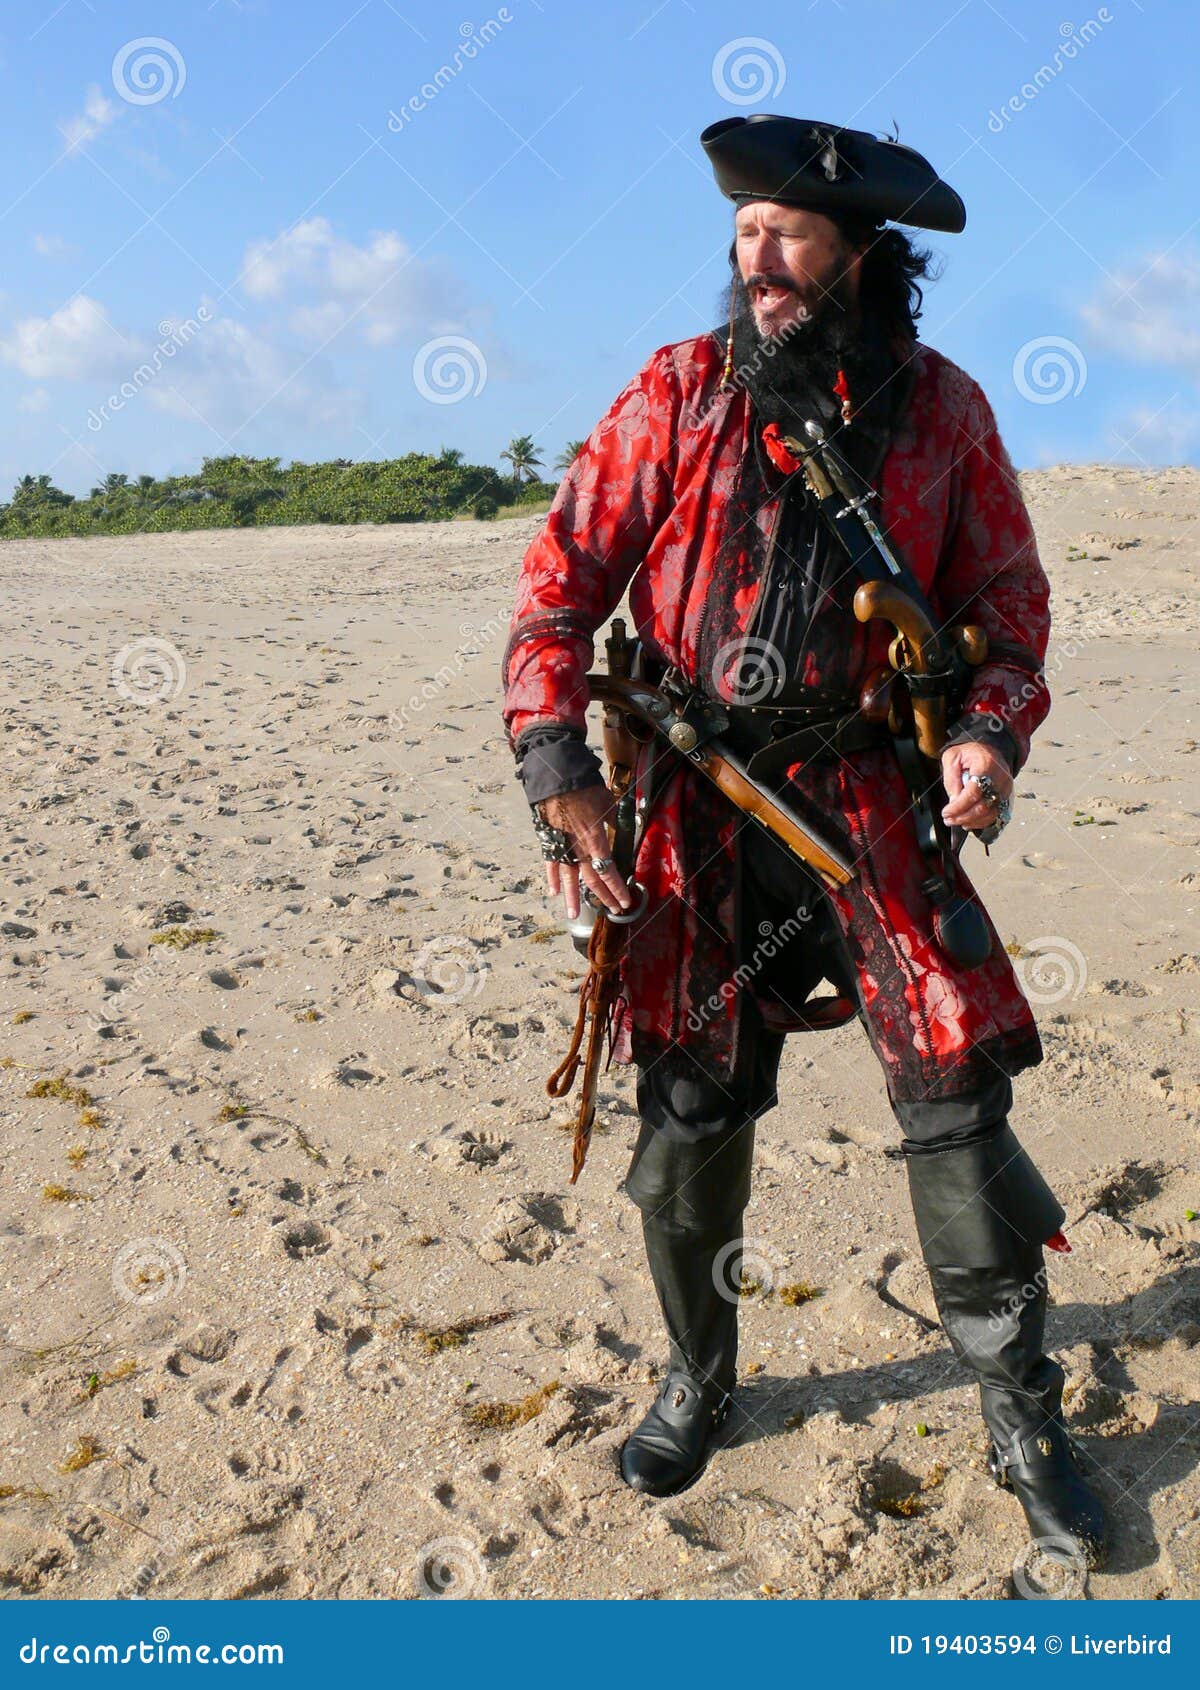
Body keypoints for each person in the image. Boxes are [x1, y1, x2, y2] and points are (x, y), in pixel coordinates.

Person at [500, 114, 1107, 1571]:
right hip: (696, 805)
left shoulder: (946, 411)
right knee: (690, 1113)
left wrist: (988, 734)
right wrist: (554, 764)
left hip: (873, 807)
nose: (755, 256)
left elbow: (1011, 611)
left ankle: (1022, 1416)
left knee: (956, 1106)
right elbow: (558, 586)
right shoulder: (680, 390)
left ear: (861, 254)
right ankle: (700, 1375)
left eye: (787, 233)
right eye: (744, 232)